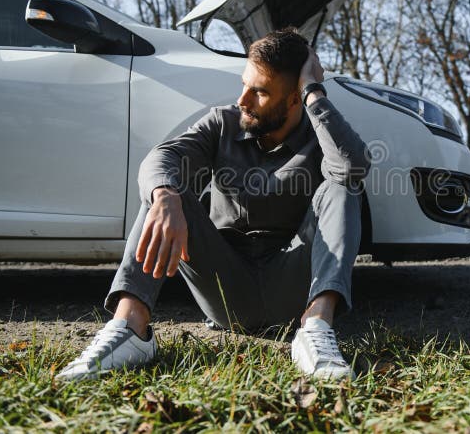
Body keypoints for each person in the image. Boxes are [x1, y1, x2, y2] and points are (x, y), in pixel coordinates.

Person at [58, 28, 370, 382]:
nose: (243, 100)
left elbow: (353, 167)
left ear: (294, 99)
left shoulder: (320, 135)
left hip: (293, 283)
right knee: (166, 191)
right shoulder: (223, 123)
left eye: (260, 92)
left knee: (342, 187)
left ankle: (315, 331)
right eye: (244, 85)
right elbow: (162, 158)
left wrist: (314, 90)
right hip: (225, 285)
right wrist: (165, 197)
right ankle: (131, 329)